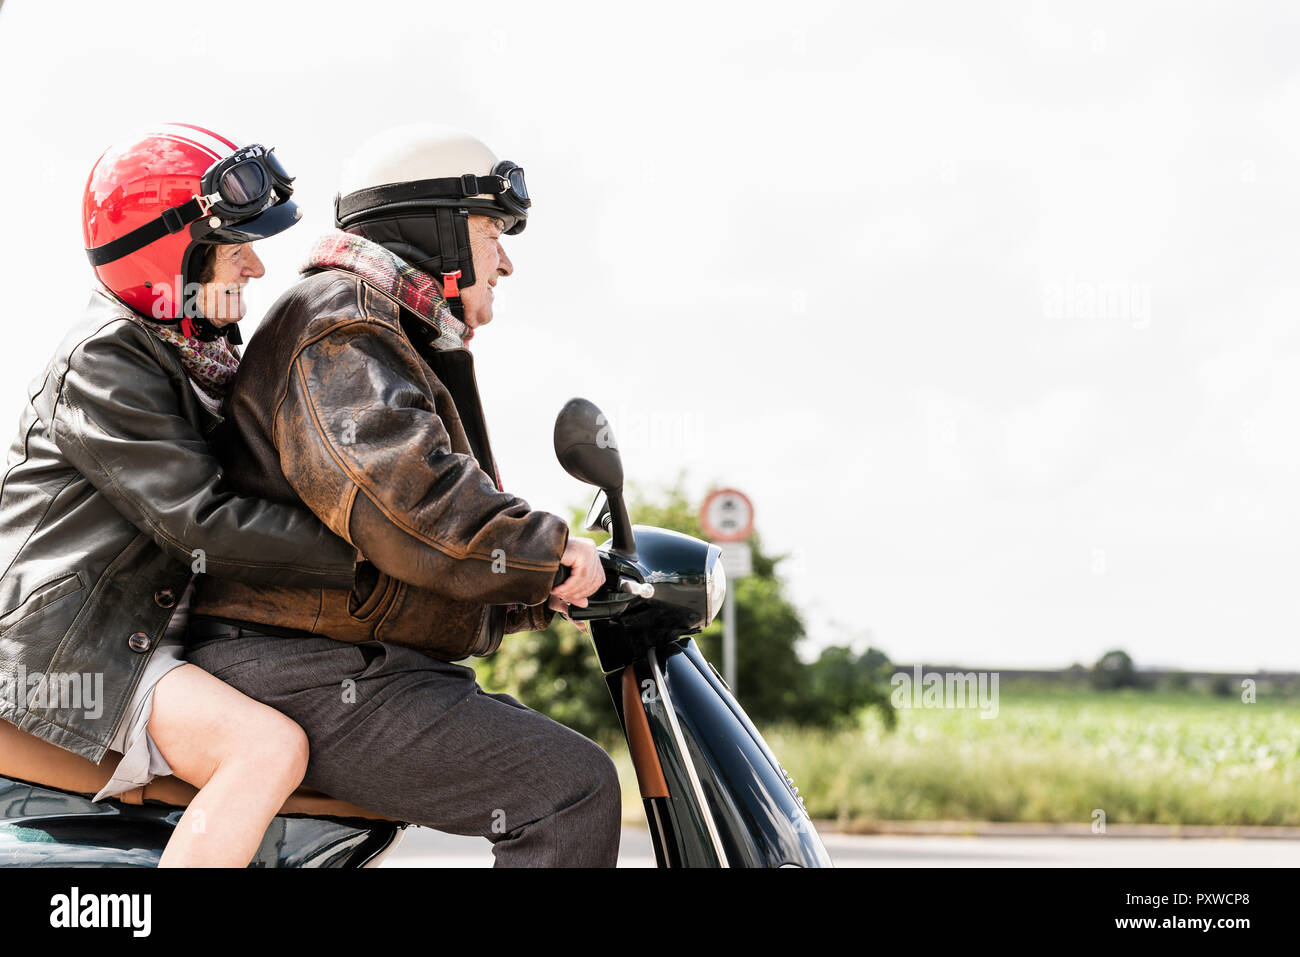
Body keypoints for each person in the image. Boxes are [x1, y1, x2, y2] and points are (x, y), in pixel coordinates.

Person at [184, 124, 623, 867]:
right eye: (492, 233)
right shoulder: (340, 321)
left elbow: (409, 548)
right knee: (568, 787)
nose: (506, 261)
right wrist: (548, 553)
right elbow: (404, 503)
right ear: (441, 232)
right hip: (297, 664)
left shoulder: (383, 327)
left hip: (338, 658)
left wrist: (532, 593)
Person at [0, 124, 362, 867]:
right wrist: (373, 556)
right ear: (175, 257)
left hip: (142, 638)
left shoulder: (200, 353)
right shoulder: (106, 357)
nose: (260, 267)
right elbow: (204, 523)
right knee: (265, 748)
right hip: (71, 653)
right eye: (238, 249)